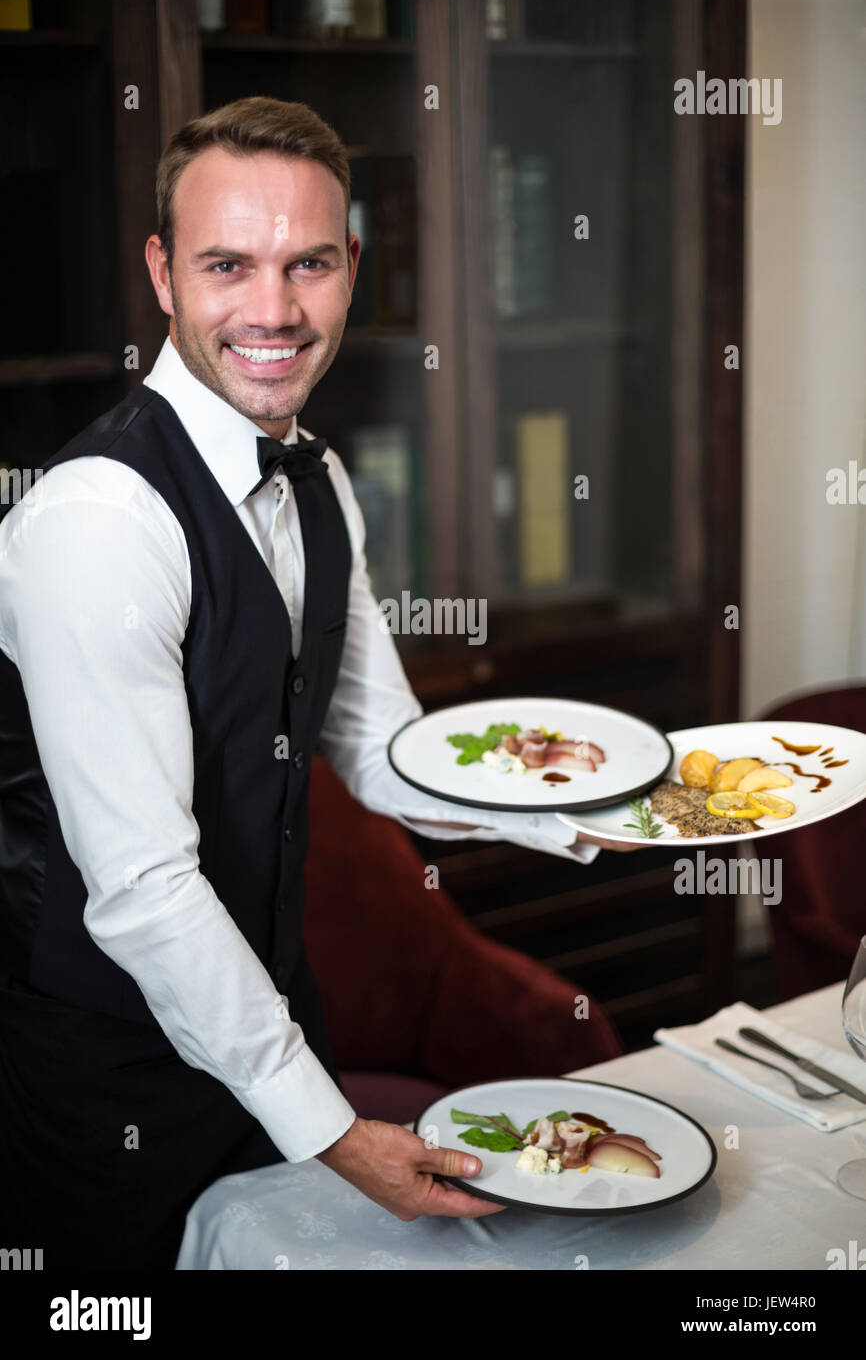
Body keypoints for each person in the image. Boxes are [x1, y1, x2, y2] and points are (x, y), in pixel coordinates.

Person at [0, 96, 640, 1269]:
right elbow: (142, 887)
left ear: (353, 265)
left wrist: (609, 809)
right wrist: (332, 1125)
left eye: (308, 263)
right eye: (227, 265)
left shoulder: (321, 479)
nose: (272, 310)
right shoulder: (95, 521)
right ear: (161, 273)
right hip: (111, 1080)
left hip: (279, 1029)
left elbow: (386, 748)